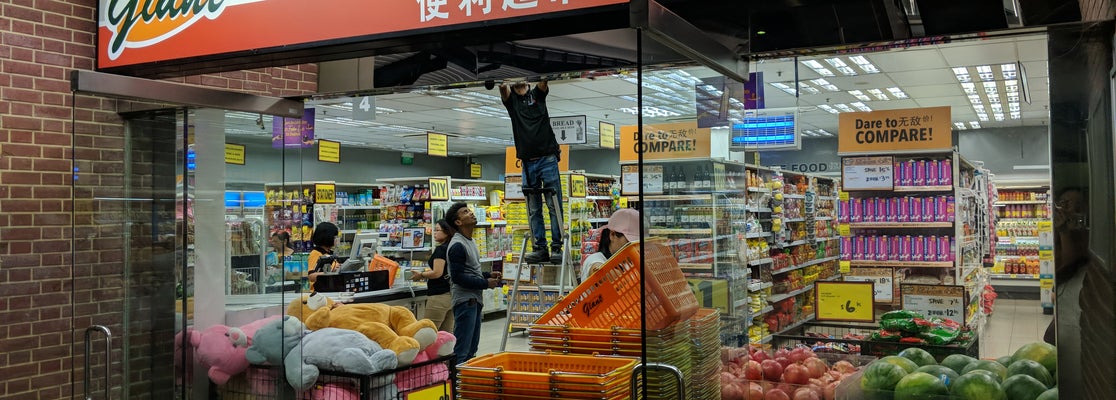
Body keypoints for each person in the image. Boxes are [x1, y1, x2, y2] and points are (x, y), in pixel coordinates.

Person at [501, 80, 563, 265]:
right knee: (534, 209)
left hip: (548, 158)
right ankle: (540, 248)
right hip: (527, 163)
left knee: (554, 205)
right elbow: (503, 88)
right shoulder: (512, 102)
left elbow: (544, 82)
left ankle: (557, 247)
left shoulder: (537, 95)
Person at [445, 202, 501, 363]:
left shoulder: (469, 240)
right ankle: (456, 384)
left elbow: (470, 271)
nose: (471, 213)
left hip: (474, 301)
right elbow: (458, 278)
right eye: (465, 212)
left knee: (472, 349)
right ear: (458, 222)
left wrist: (487, 274)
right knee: (462, 350)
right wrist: (485, 283)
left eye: (469, 210)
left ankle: (466, 382)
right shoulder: (457, 245)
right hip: (465, 301)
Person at [412, 219, 455, 332]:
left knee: (428, 332)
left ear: (447, 231)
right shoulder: (453, 247)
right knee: (446, 335)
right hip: (451, 294)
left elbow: (437, 272)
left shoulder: (441, 250)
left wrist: (421, 274)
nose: (434, 233)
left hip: (439, 297)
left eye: (437, 230)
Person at [580, 209, 641, 280]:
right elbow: (599, 272)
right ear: (612, 235)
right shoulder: (595, 259)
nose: (634, 247)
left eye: (637, 244)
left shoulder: (626, 263)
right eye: (629, 242)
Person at [306, 222, 340, 290]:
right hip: (319, 293)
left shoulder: (330, 253)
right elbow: (311, 276)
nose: (337, 239)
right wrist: (331, 273)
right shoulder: (315, 253)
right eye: (335, 237)